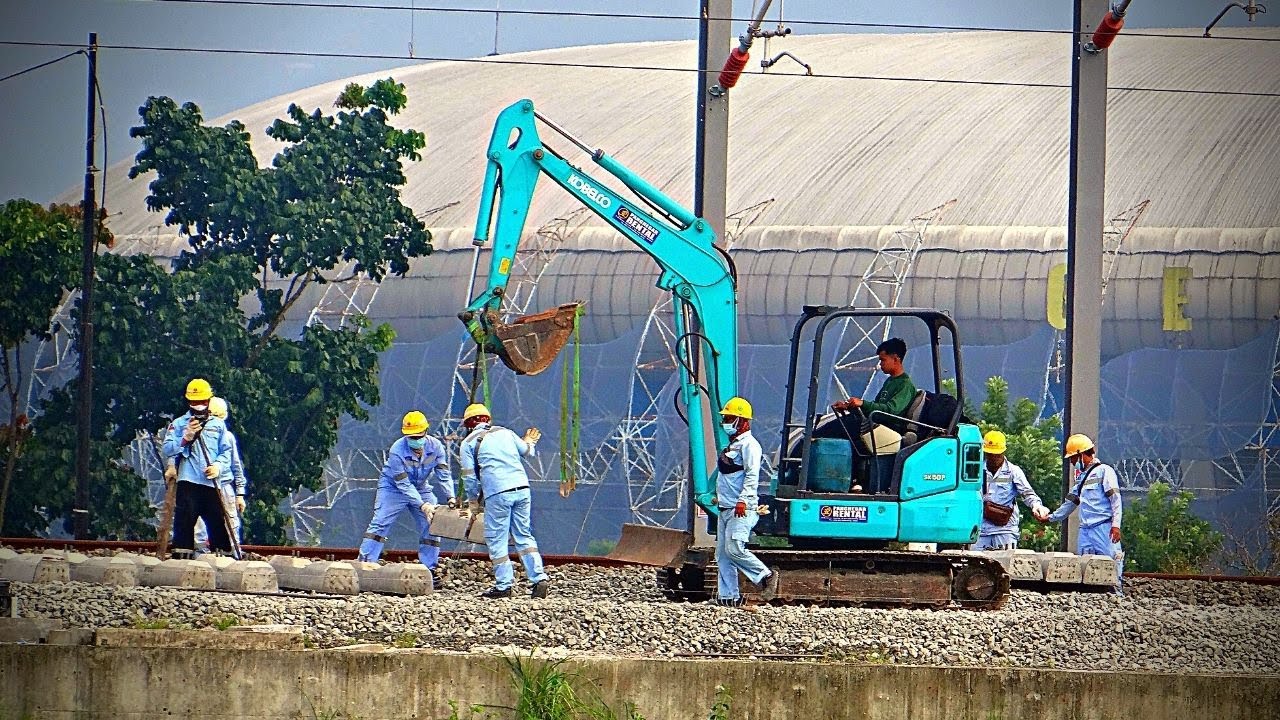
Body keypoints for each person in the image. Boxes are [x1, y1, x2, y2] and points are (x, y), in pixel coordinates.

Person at [458, 403, 550, 599]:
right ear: (487, 419)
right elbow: (526, 451)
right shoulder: (506, 432)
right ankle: (539, 579)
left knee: (496, 538)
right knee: (524, 535)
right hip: (522, 489)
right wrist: (529, 441)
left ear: (468, 424)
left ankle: (504, 586)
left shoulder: (468, 443)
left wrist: (473, 502)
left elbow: (469, 477)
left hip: (498, 493)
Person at [357, 411, 457, 585]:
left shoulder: (436, 447)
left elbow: (443, 473)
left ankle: (429, 570)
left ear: (426, 432)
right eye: (411, 437)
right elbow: (403, 485)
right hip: (393, 488)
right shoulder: (397, 450)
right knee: (380, 522)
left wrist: (451, 497)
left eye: (418, 436)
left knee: (432, 524)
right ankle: (365, 566)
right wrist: (422, 505)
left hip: (421, 487)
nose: (415, 440)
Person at [713, 396, 777, 607]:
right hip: (726, 507)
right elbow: (728, 477)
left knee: (734, 549)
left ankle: (765, 576)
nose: (727, 423)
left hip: (741, 508)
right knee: (722, 555)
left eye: (731, 418)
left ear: (743, 422)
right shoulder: (733, 445)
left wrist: (743, 499)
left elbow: (752, 475)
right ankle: (728, 597)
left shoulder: (750, 445)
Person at [830, 338, 916, 492]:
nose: (880, 364)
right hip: (876, 425)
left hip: (889, 428)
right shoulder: (890, 382)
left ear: (896, 359)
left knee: (846, 432)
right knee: (840, 425)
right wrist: (850, 407)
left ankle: (854, 480)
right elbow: (875, 408)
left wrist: (863, 404)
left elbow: (891, 411)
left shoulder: (905, 385)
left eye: (883, 360)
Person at [162, 378, 235, 558]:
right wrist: (185, 438)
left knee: (217, 521)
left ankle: (222, 557)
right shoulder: (179, 424)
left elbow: (226, 452)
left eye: (202, 402)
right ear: (188, 403)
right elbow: (167, 449)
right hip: (189, 481)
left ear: (209, 400)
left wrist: (218, 466)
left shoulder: (218, 425)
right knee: (185, 521)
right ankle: (182, 557)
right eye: (195, 402)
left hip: (211, 483)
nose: (199, 406)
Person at [1042, 433, 1125, 592]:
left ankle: (1116, 595)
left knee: (1111, 564)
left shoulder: (1104, 471)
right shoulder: (1081, 478)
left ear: (1081, 454)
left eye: (1073, 458)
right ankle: (1091, 599)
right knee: (1086, 568)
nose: (1072, 462)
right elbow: (1070, 503)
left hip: (1103, 528)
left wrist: (1116, 526)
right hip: (1086, 530)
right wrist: (1051, 518)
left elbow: (1115, 500)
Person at [970, 429, 1049, 550]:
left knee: (1004, 564)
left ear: (1003, 452)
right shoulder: (976, 470)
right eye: (990, 454)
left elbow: (1027, 493)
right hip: (981, 529)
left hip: (1005, 530)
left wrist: (1036, 506)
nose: (994, 458)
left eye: (997, 455)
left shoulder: (1013, 471)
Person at [193, 396, 249, 551]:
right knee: (200, 527)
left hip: (223, 487)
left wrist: (240, 494)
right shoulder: (196, 436)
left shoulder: (227, 437)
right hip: (202, 487)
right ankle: (202, 557)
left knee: (230, 523)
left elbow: (235, 466)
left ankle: (232, 555)